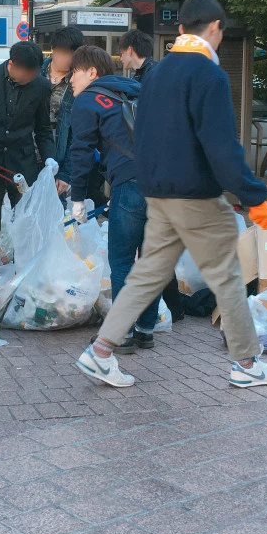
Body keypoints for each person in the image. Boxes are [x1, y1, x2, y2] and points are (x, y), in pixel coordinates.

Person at [75, 0, 267, 389]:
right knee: (226, 276)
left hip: (156, 192)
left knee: (145, 275)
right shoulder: (209, 75)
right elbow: (221, 146)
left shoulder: (157, 73)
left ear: (181, 28)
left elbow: (146, 136)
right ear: (215, 28)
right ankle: (246, 364)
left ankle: (100, 352)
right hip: (196, 197)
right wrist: (253, 196)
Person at [64, 44, 180, 351]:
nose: (70, 82)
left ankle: (122, 332)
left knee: (122, 260)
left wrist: (77, 199)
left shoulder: (89, 100)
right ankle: (144, 330)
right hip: (164, 184)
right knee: (151, 261)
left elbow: (81, 152)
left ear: (91, 72)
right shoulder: (137, 89)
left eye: (73, 74)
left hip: (129, 185)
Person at [0, 41, 56, 297]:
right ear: (11, 64)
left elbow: (43, 129)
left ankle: (26, 277)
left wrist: (50, 157)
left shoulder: (41, 86)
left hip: (22, 165)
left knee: (27, 223)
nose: (29, 79)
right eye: (25, 73)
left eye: (34, 74)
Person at [42, 27, 83, 194]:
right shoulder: (35, 73)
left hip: (58, 159)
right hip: (28, 157)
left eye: (74, 55)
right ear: (53, 50)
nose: (69, 59)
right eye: (65, 53)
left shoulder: (77, 83)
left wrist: (66, 173)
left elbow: (77, 134)